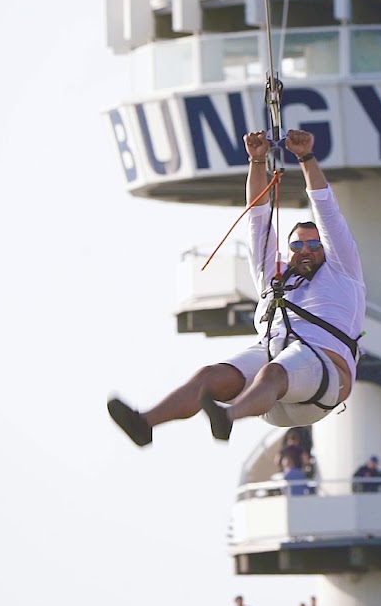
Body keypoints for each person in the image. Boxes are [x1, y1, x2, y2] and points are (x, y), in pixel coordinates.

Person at [107, 129, 367, 447]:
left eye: (314, 243)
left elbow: (326, 211)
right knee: (209, 377)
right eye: (298, 244)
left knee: (274, 371)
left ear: (325, 248)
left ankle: (227, 418)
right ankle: (144, 423)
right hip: (271, 379)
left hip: (323, 376)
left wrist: (306, 158)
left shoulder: (342, 270)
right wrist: (257, 161)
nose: (306, 249)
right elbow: (258, 218)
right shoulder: (275, 278)